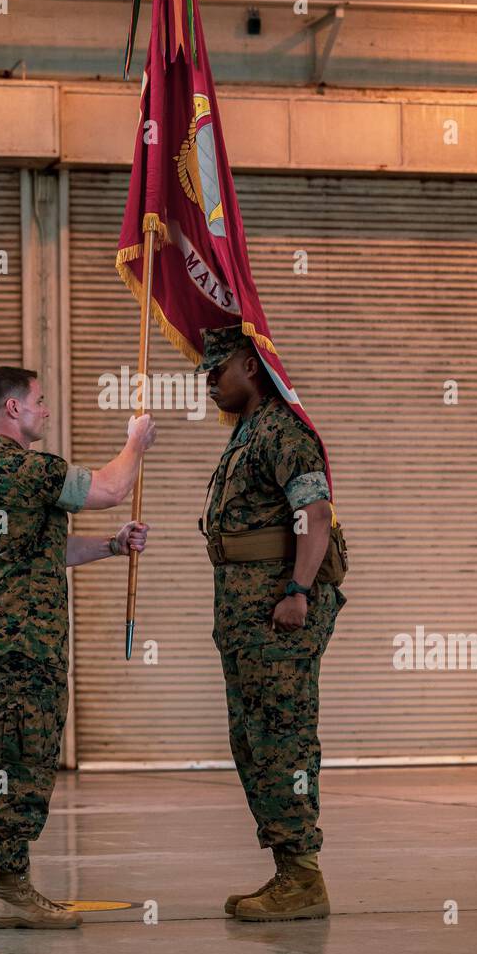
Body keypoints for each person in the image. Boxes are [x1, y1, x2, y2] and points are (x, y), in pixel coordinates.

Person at [0, 366, 155, 930]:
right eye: (39, 402)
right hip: (23, 648)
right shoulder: (31, 469)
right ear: (14, 410)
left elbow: (48, 550)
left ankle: (8, 883)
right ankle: (10, 892)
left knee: (1, 760)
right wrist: (135, 443)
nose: (45, 410)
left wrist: (112, 547)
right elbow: (112, 488)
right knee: (21, 763)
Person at [197, 325, 346, 921]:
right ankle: (287, 869)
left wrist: (298, 591)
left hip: (279, 614)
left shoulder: (282, 430)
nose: (208, 381)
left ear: (252, 367)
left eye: (217, 370)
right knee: (253, 738)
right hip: (247, 616)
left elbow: (312, 512)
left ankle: (303, 877)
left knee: (282, 736)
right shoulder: (247, 434)